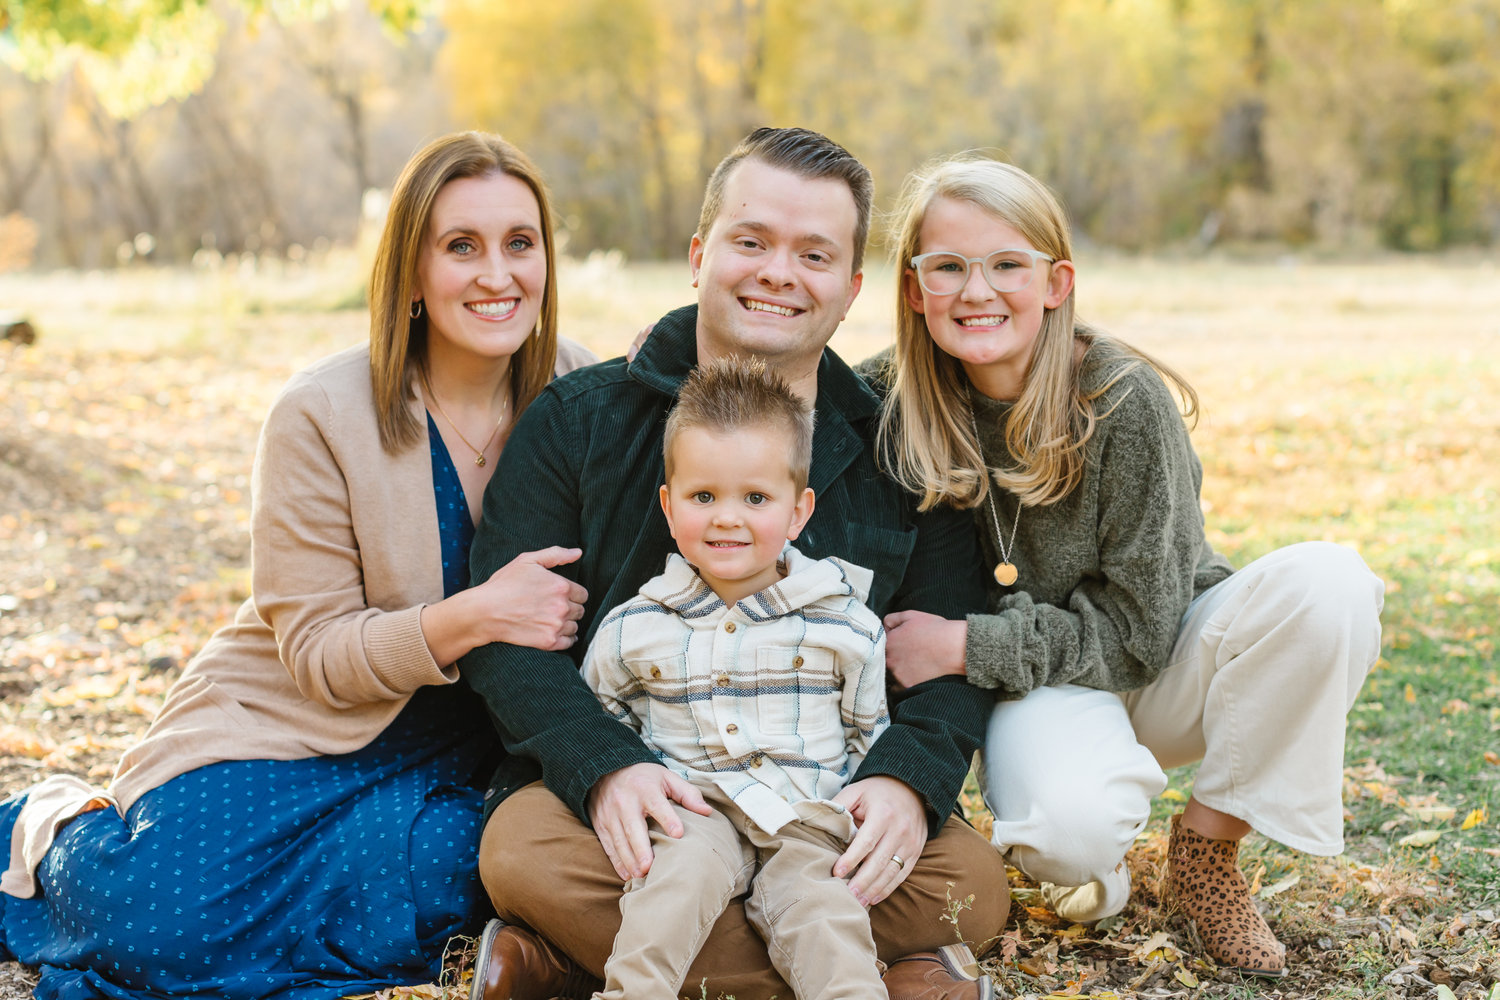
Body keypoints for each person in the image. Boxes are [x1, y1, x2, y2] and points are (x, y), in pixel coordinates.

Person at [0, 130, 596, 1000]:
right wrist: (476, 615)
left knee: (462, 870)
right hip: (299, 728)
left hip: (474, 756)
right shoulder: (322, 412)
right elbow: (317, 653)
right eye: (462, 246)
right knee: (152, 919)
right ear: (413, 272)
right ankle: (52, 824)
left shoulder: (585, 397)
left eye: (520, 243)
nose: (497, 274)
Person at [460, 127, 1008, 1000]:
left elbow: (947, 660)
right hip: (652, 798)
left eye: (814, 254)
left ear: (851, 289)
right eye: (751, 242)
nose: (778, 273)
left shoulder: (906, 453)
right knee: (520, 852)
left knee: (970, 887)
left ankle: (573, 964)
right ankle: (871, 977)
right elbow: (505, 644)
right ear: (699, 256)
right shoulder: (579, 420)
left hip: (822, 808)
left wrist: (907, 783)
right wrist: (602, 767)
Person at [872, 156, 1385, 978]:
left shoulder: (1121, 400)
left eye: (1007, 264)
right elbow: (772, 431)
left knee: (1331, 586)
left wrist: (968, 645)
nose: (977, 291)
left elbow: (1145, 635)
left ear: (1056, 282)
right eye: (949, 267)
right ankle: (1093, 858)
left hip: (1162, 660)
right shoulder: (888, 401)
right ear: (912, 287)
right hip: (1038, 690)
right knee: (1069, 840)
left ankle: (1208, 851)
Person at [581, 356, 928, 1000]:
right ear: (669, 506)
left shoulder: (845, 625)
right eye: (703, 497)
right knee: (668, 892)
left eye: (757, 499)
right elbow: (605, 723)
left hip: (805, 816)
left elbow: (866, 732)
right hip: (695, 813)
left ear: (798, 512)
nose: (727, 518)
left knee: (826, 914)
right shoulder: (634, 627)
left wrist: (862, 809)